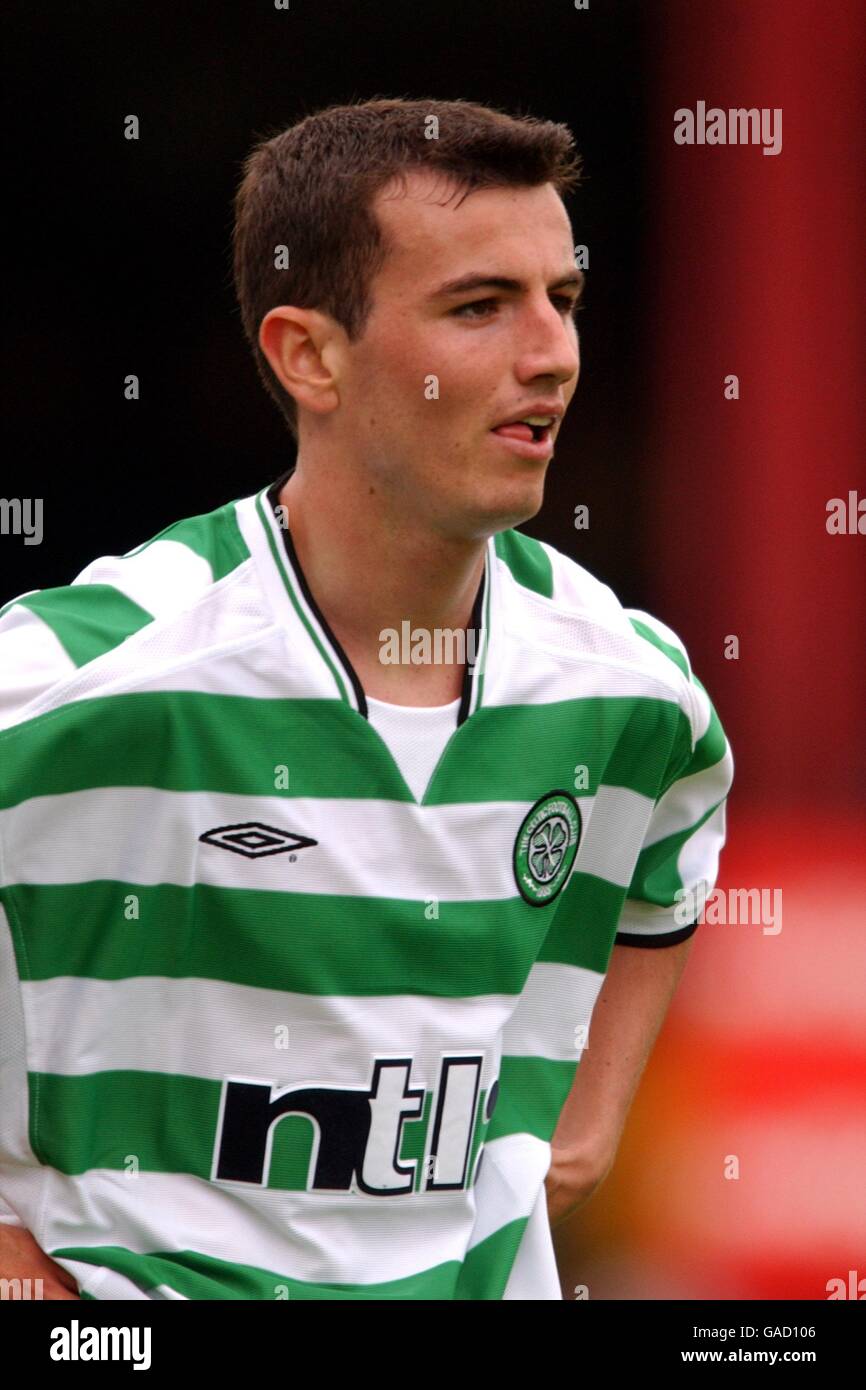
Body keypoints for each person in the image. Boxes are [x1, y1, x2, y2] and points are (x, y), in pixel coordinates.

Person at [0, 97, 733, 1300]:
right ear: (308, 354)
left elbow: (677, 824)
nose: (550, 352)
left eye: (563, 298)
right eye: (479, 305)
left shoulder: (627, 684)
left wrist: (577, 1133)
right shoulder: (98, 674)